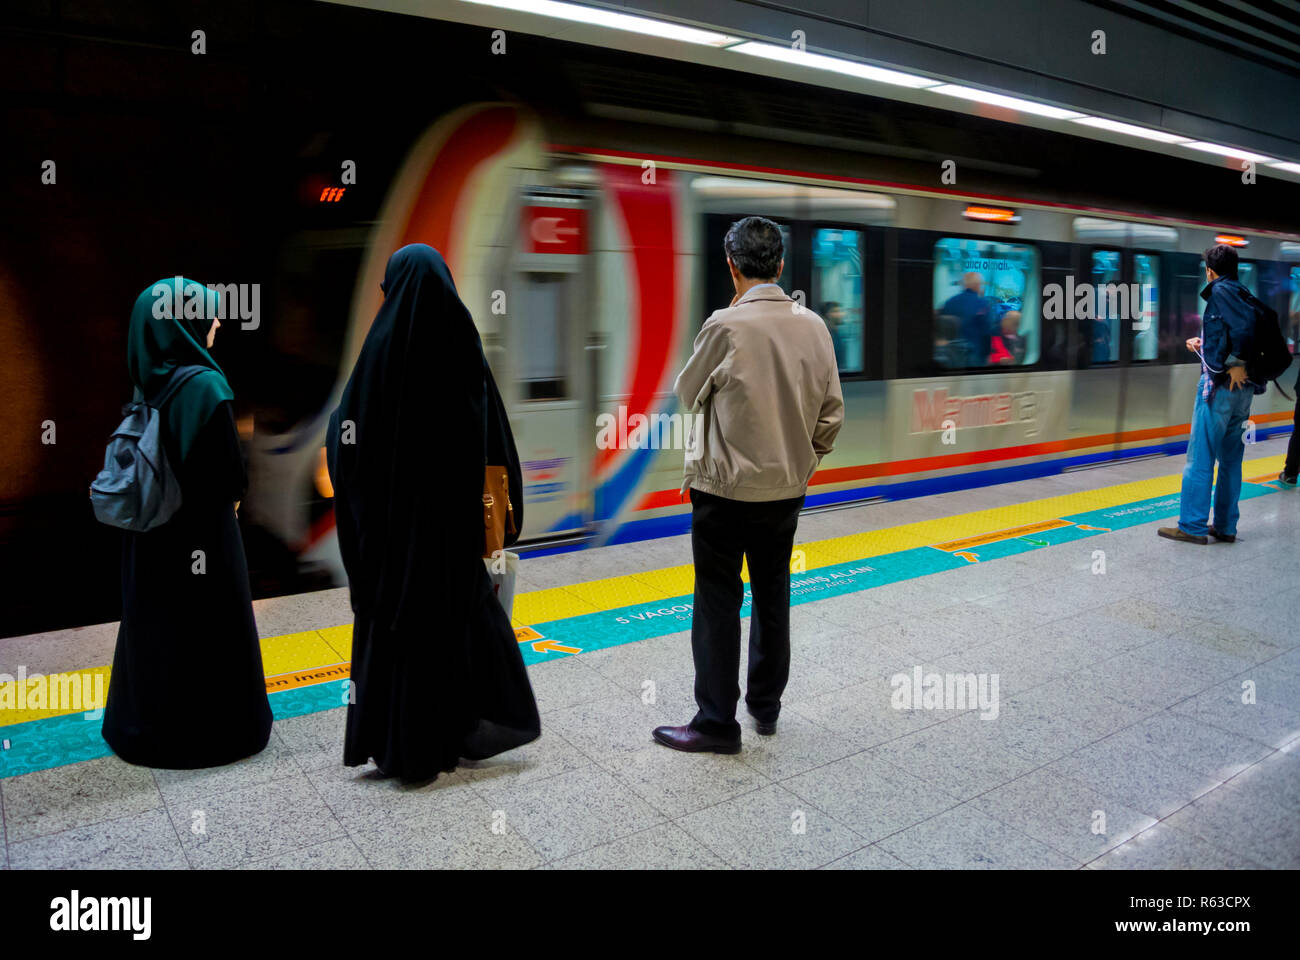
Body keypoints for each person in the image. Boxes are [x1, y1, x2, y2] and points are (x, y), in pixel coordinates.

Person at [326, 243, 539, 780]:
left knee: (394, 638)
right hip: (447, 541)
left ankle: (397, 747)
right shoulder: (461, 345)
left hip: (390, 545)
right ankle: (446, 735)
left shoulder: (377, 355)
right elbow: (493, 442)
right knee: (450, 636)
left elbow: (343, 441)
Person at [653, 217, 844, 754]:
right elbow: (831, 417)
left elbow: (687, 392)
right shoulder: (815, 327)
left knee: (717, 599)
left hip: (722, 492)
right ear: (780, 267)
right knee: (772, 593)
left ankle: (717, 722)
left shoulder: (725, 327)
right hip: (785, 492)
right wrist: (800, 465)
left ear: (731, 266)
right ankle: (766, 708)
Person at [101, 278, 272, 768]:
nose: (218, 322)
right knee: (210, 628)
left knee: (155, 626)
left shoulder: (148, 375)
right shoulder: (205, 384)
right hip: (203, 537)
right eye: (210, 314)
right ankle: (218, 732)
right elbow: (226, 476)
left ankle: (147, 728)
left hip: (150, 535)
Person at [1159, 244, 1267, 545]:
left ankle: (1191, 526)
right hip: (1244, 393)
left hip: (1218, 390)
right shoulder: (1244, 293)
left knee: (1201, 457)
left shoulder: (1219, 294)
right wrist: (1204, 345)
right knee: (1232, 460)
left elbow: (1240, 336)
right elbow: (1240, 334)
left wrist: (1231, 365)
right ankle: (1225, 526)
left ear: (1210, 270)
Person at [940, 271, 993, 366]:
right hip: (974, 354)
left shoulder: (950, 302)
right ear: (977, 285)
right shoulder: (983, 304)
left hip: (951, 353)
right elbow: (986, 331)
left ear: (964, 285)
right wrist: (987, 354)